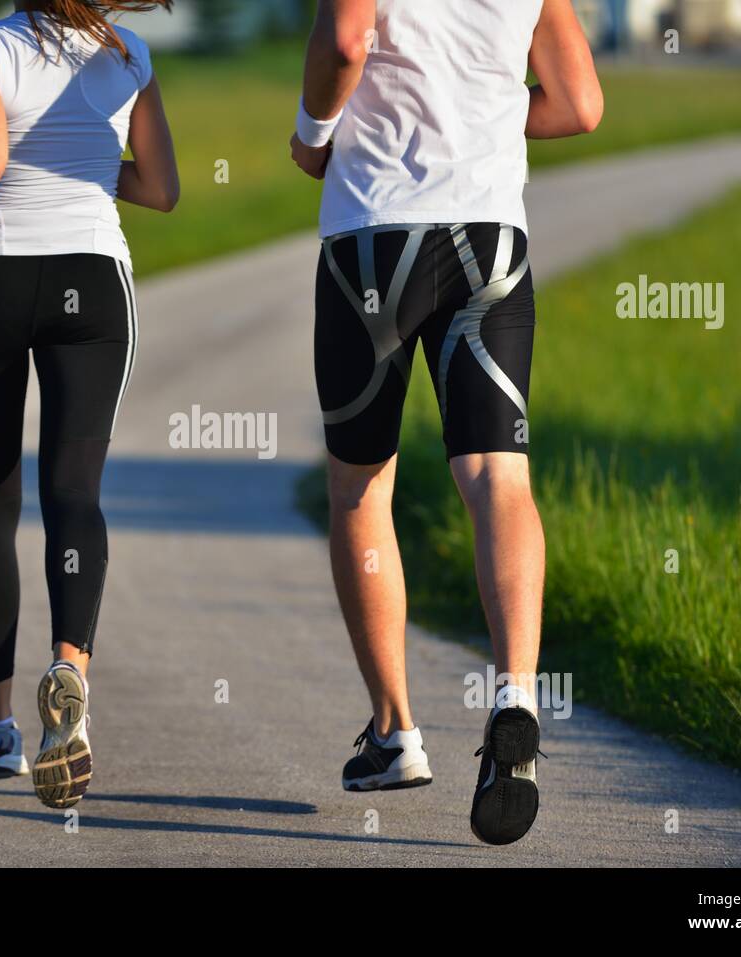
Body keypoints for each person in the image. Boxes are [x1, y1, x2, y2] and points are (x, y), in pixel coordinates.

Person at [290, 0, 601, 844]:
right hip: (489, 237)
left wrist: (313, 132)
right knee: (497, 474)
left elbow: (348, 36)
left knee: (361, 489)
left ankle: (394, 732)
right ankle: (515, 701)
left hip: (371, 235)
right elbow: (579, 103)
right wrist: (491, 115)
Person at [0, 0, 178, 810]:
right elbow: (159, 189)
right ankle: (71, 672)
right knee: (74, 490)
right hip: (92, 283)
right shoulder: (128, 52)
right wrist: (88, 167)